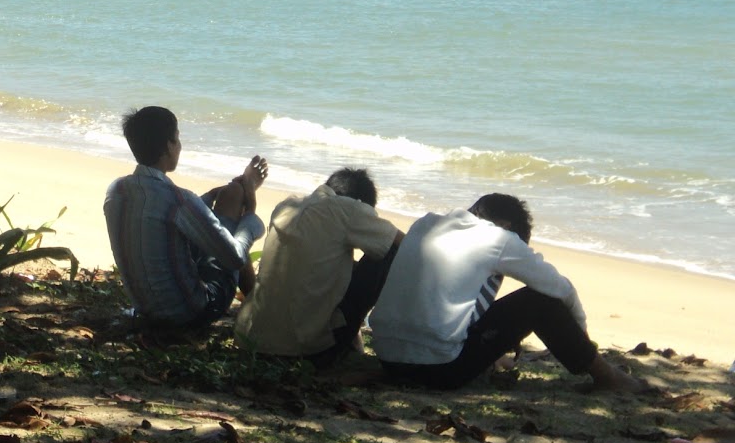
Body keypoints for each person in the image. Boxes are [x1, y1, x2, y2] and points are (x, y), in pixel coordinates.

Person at [367, 193, 644, 391]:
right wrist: (582, 339)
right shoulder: (498, 238)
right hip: (439, 371)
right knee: (539, 300)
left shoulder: (425, 224)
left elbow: (438, 301)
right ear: (508, 228)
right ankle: (606, 375)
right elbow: (561, 290)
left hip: (388, 360)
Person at [103, 106, 268, 332]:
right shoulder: (178, 200)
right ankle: (261, 307)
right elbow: (235, 259)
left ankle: (239, 191)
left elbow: (159, 215)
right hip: (191, 314)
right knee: (235, 201)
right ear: (169, 146)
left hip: (146, 309)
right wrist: (250, 215)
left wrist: (209, 196)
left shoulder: (116, 190)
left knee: (231, 195)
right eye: (178, 138)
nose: (180, 146)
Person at [234, 167, 403, 367]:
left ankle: (350, 333)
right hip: (307, 349)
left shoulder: (285, 206)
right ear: (359, 203)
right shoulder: (349, 209)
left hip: (250, 339)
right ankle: (350, 336)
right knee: (389, 250)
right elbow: (406, 244)